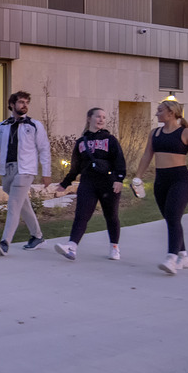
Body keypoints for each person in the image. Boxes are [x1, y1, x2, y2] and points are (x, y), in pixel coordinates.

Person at [130, 100, 188, 275]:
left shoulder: (187, 133)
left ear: (171, 112)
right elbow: (146, 157)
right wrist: (138, 178)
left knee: (173, 216)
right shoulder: (155, 133)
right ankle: (184, 256)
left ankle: (171, 258)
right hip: (160, 182)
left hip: (181, 181)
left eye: (159, 111)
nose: (156, 114)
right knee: (171, 219)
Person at [0, 91, 52, 255]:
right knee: (22, 203)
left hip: (26, 170)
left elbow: (44, 149)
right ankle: (37, 236)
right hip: (8, 169)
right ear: (12, 105)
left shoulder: (34, 125)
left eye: (26, 102)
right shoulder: (3, 126)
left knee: (13, 205)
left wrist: (46, 172)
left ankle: (5, 242)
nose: (24, 105)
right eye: (20, 102)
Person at [53, 106, 127, 261]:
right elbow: (76, 167)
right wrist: (65, 183)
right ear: (89, 118)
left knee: (111, 215)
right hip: (88, 183)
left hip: (108, 182)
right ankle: (72, 247)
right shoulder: (81, 142)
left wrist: (119, 180)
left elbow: (119, 160)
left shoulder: (110, 140)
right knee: (81, 215)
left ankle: (114, 247)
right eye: (98, 116)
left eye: (104, 117)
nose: (101, 120)